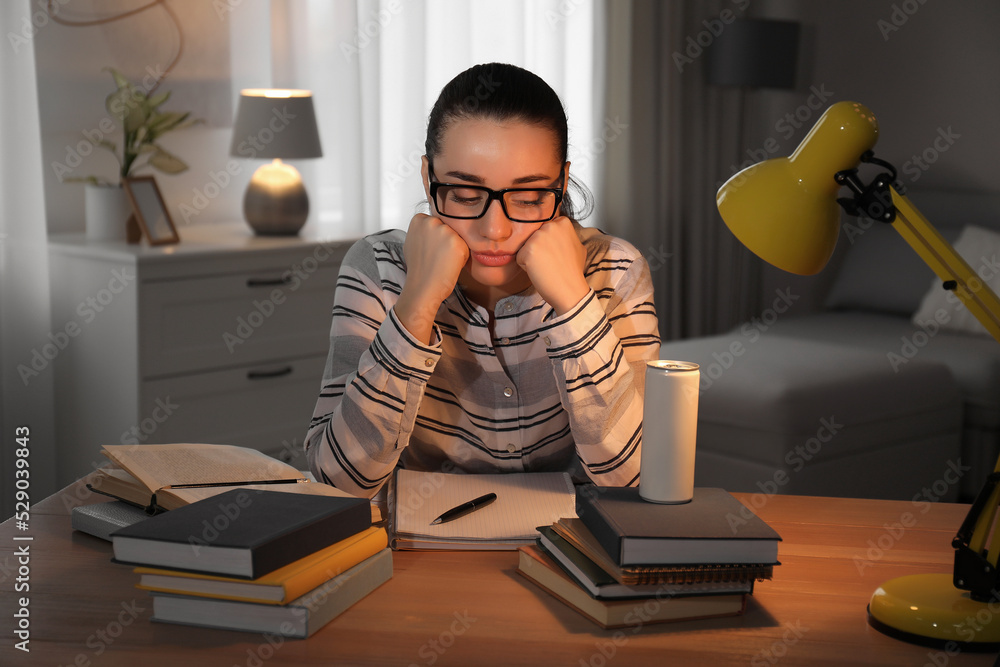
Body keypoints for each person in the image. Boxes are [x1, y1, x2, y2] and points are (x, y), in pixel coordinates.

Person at [304, 63, 660, 499]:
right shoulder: (379, 268)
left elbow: (637, 478)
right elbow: (337, 482)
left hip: (571, 553)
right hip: (419, 552)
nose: (495, 229)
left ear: (562, 183)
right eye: (466, 196)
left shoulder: (616, 270)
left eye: (528, 198)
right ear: (428, 177)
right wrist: (416, 306)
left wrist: (573, 304)